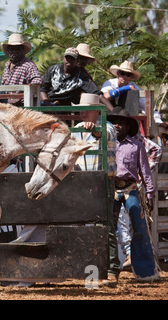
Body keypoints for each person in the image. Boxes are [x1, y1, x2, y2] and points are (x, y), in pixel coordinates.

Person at [106, 107, 160, 284]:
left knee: (139, 226)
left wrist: (150, 194)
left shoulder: (136, 145)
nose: (118, 125)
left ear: (128, 126)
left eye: (121, 122)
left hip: (131, 188)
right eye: (114, 122)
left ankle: (146, 273)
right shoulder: (106, 144)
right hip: (111, 189)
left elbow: (145, 171)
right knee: (108, 228)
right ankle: (110, 270)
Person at [70, 93, 119, 285]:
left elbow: (102, 133)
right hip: (84, 182)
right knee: (84, 225)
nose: (82, 113)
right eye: (80, 110)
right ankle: (92, 268)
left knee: (104, 225)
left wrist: (94, 130)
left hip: (101, 182)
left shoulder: (107, 126)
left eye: (86, 110)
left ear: (96, 112)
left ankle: (112, 268)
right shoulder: (76, 129)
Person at [40, 47, 113, 110]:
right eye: (67, 58)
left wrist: (112, 110)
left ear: (76, 60)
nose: (69, 60)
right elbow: (42, 89)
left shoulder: (81, 76)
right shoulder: (53, 70)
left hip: (65, 107)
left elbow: (96, 93)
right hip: (48, 103)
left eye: (72, 58)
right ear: (63, 58)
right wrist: (47, 104)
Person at [101, 61, 164, 126]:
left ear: (131, 77)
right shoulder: (110, 83)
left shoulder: (134, 87)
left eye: (128, 74)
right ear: (118, 73)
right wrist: (125, 88)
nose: (125, 76)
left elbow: (146, 106)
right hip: (107, 118)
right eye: (122, 73)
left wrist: (159, 122)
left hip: (126, 120)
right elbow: (105, 96)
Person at [0, 33, 42, 106]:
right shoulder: (7, 64)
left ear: (23, 50)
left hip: (23, 104)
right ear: (8, 51)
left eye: (17, 49)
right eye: (12, 49)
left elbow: (37, 81)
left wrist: (20, 97)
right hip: (7, 103)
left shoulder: (28, 65)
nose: (14, 51)